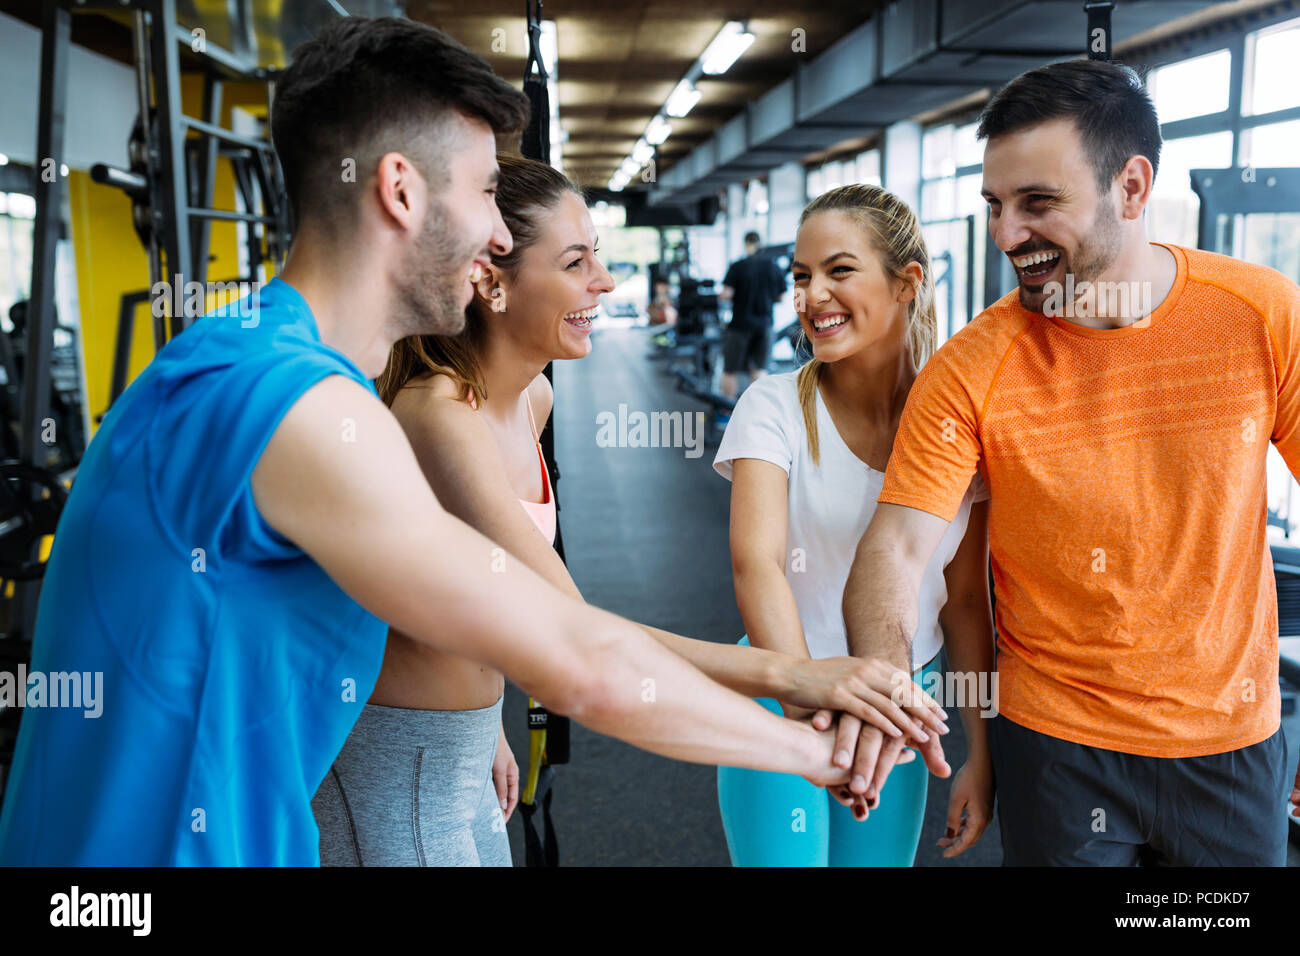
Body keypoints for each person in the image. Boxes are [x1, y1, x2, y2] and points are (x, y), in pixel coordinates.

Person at [0, 17, 942, 867]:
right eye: (489, 192)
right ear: (401, 192)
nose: (497, 232)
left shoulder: (256, 358)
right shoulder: (296, 405)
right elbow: (582, 662)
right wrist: (810, 745)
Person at [313, 155, 948, 866]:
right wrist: (793, 689)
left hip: (462, 746)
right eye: (577, 261)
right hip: (401, 763)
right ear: (492, 280)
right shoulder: (437, 418)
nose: (606, 282)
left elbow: (460, 591)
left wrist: (487, 721)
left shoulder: (532, 400)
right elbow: (578, 639)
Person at [839, 58, 1300, 866]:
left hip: (1233, 738)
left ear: (1131, 186)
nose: (1007, 235)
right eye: (995, 206)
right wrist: (880, 683)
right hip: (1058, 744)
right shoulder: (973, 367)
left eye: (1037, 203)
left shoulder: (1262, 316)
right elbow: (897, 548)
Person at [714, 184, 994, 866]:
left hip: (904, 700)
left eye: (839, 272)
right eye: (802, 277)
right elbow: (759, 565)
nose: (812, 297)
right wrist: (812, 701)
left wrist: (981, 753)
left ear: (907, 282)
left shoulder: (961, 426)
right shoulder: (774, 405)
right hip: (785, 684)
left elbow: (962, 600)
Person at [720, 231, 787, 401]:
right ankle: (756, 412)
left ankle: (726, 412)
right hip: (764, 325)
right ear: (760, 243)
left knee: (730, 370)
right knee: (759, 370)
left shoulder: (737, 266)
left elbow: (727, 293)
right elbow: (781, 297)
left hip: (739, 325)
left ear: (745, 243)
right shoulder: (773, 266)